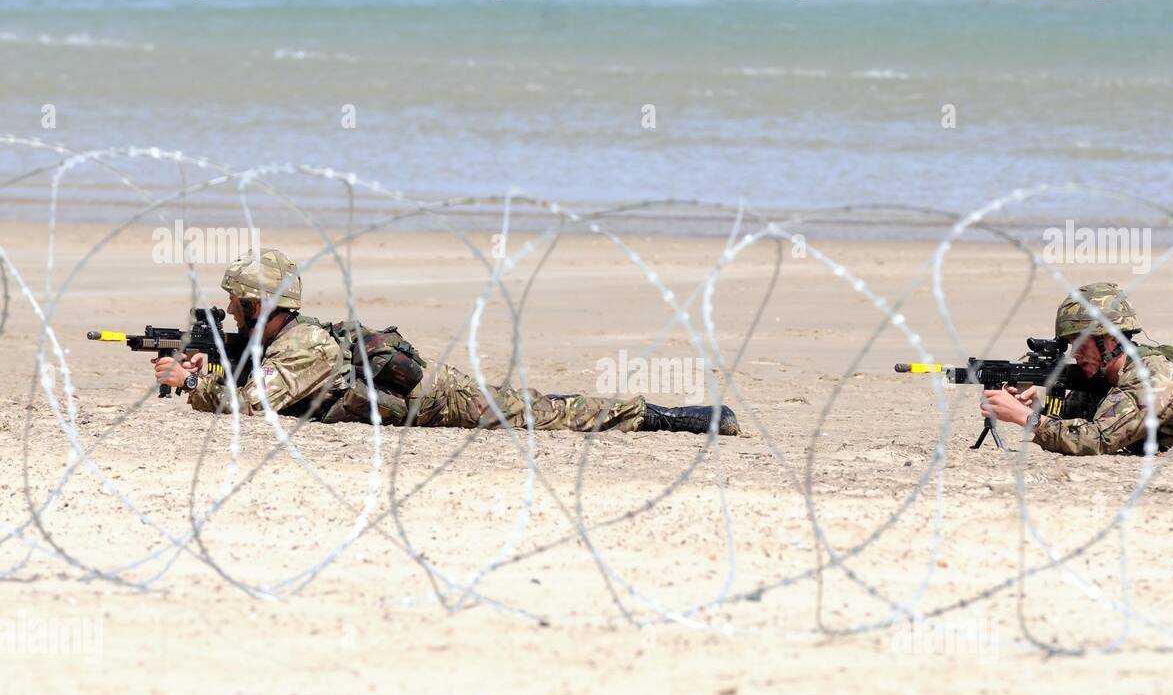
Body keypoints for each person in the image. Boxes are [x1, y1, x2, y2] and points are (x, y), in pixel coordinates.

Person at [152, 248, 740, 436]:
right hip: (418, 402)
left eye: (237, 303)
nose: (230, 312)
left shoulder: (303, 346)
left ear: (261, 306)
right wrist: (212, 368)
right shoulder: (280, 342)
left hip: (441, 401)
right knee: (543, 407)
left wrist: (193, 382)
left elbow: (255, 404)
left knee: (550, 413)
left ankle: (669, 416)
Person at [979, 282, 1173, 456]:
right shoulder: (1117, 374)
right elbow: (1093, 413)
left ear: (1111, 341)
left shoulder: (1150, 380)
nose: (1075, 355)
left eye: (1082, 344)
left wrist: (1025, 419)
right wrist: (1041, 404)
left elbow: (1096, 439)